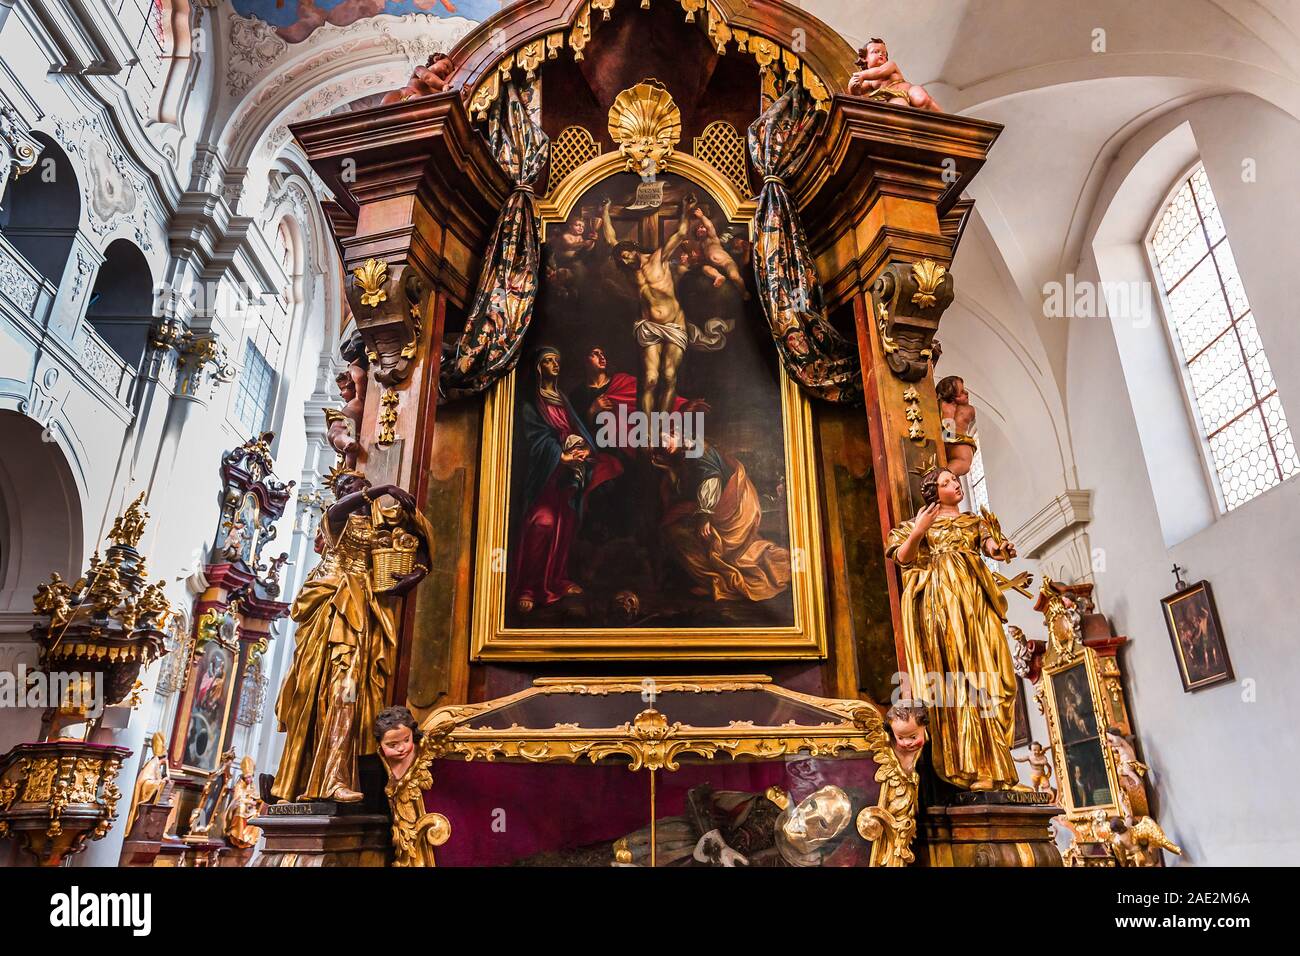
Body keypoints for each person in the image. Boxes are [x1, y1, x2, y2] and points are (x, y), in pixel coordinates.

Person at [271, 470, 431, 804]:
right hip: (332, 606)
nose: (353, 489)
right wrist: (382, 489)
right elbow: (337, 511)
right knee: (321, 692)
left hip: (363, 608)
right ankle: (309, 780)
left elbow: (421, 541)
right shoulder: (334, 522)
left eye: (358, 485)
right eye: (345, 486)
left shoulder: (379, 526)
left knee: (350, 694)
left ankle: (335, 777)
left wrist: (419, 572)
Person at [886, 467, 1019, 790]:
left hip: (977, 607)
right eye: (945, 482)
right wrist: (920, 530)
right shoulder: (916, 526)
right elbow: (903, 559)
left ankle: (998, 763)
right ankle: (976, 767)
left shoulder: (974, 522)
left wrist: (1001, 550)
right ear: (932, 492)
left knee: (998, 677)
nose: (955, 485)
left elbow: (990, 546)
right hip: (943, 611)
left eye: (955, 480)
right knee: (960, 683)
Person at [513, 347, 621, 613]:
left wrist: (585, 448)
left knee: (566, 523)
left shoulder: (561, 398)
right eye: (549, 361)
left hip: (566, 475)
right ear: (539, 368)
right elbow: (534, 441)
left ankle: (557, 579)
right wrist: (559, 458)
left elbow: (577, 429)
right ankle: (528, 587)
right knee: (543, 523)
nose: (555, 365)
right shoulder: (532, 403)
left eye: (557, 361)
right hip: (546, 475)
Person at [650, 426, 790, 602]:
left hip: (734, 507)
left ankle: (716, 580)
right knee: (673, 530)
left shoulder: (696, 448)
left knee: (699, 539)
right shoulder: (680, 455)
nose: (661, 446)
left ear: (675, 434)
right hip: (714, 504)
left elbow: (711, 481)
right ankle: (712, 579)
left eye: (663, 439)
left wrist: (705, 517)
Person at [602, 194, 699, 415]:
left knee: (668, 376)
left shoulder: (659, 258)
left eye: (626, 257)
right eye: (621, 260)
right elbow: (610, 238)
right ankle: (645, 434)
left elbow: (681, 232)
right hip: (648, 326)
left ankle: (662, 430)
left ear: (634, 250)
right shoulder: (628, 268)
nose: (625, 262)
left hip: (674, 324)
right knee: (650, 379)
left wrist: (685, 209)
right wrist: (605, 212)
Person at [848, 38, 940, 111]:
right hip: (893, 97)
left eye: (884, 54)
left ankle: (945, 122)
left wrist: (861, 76)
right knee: (899, 109)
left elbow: (880, 72)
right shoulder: (869, 81)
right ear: (864, 58)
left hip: (908, 90)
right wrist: (853, 84)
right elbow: (857, 92)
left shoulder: (890, 65)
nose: (881, 55)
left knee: (922, 99)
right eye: (876, 52)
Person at [936, 375, 978, 477]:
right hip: (960, 452)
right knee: (950, 473)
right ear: (952, 397)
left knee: (950, 474)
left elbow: (947, 432)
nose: (966, 393)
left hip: (953, 449)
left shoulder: (946, 407)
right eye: (962, 392)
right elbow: (948, 433)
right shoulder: (961, 409)